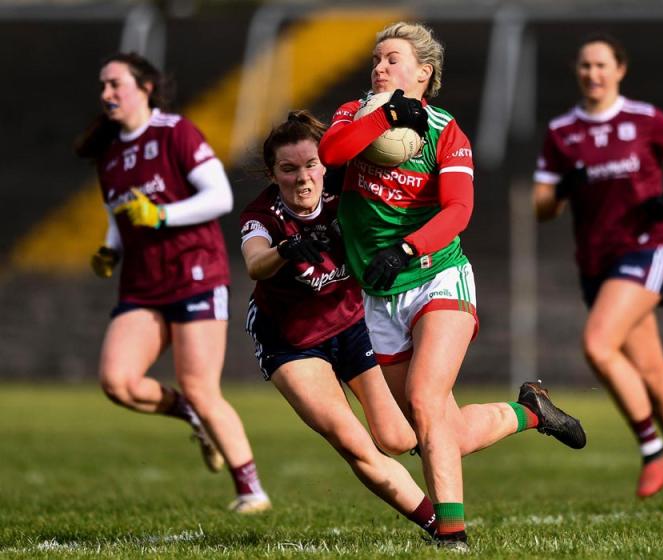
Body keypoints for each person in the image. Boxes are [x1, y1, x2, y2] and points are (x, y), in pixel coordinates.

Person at [319, 22, 586, 550]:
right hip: (378, 293)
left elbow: (459, 210)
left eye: (392, 59)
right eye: (375, 59)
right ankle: (531, 411)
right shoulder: (355, 114)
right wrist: (388, 114)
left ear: (423, 72)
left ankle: (453, 534)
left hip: (436, 274)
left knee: (425, 398)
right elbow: (331, 154)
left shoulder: (446, 130)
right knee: (411, 433)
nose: (379, 67)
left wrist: (406, 249)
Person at [76, 52, 270, 514]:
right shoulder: (111, 155)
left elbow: (219, 197)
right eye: (102, 85)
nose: (106, 94)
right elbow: (117, 215)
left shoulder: (174, 131)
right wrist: (111, 249)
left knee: (201, 385)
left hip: (194, 273)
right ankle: (191, 417)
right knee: (118, 382)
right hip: (143, 284)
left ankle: (251, 490)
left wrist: (162, 214)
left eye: (115, 83)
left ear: (144, 87)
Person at [531, 33, 663, 503]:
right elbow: (541, 207)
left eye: (601, 65)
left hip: (645, 248)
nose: (593, 74)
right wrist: (562, 190)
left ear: (620, 70)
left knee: (598, 343)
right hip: (596, 262)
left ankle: (653, 447)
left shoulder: (646, 120)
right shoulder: (562, 132)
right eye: (585, 66)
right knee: (654, 374)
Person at [241, 110, 440, 538]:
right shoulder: (263, 215)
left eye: (310, 164)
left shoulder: (347, 191)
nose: (302, 178)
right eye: (288, 169)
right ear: (273, 174)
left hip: (351, 324)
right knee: (353, 443)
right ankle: (441, 527)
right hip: (291, 341)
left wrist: (395, 121)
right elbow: (255, 263)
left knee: (399, 438)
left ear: (324, 164)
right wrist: (289, 249)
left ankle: (529, 413)